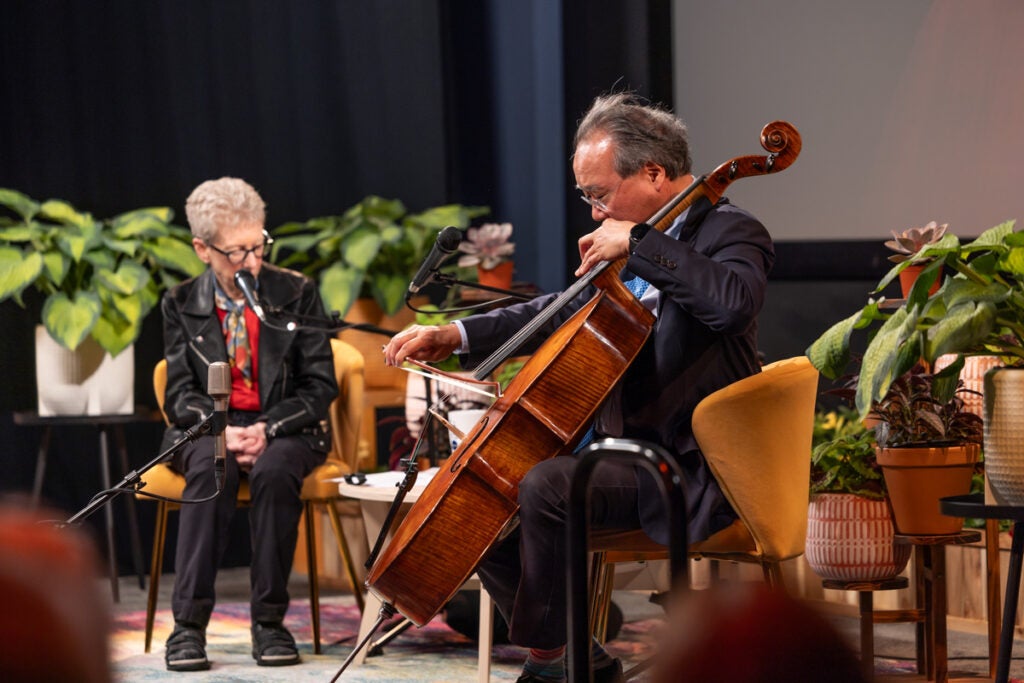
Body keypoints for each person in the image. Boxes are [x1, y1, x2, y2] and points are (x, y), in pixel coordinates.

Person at [383, 93, 774, 682]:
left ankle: (550, 664)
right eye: (586, 197)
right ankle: (578, 657)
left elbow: (732, 305)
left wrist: (640, 244)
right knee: (482, 500)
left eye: (599, 194)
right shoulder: (627, 241)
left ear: (654, 173)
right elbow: (559, 308)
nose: (594, 212)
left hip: (684, 465)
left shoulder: (731, 231)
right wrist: (455, 333)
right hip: (615, 455)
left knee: (548, 485)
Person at [159, 177, 338, 671]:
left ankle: (270, 622)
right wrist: (220, 429)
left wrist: (269, 428)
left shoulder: (296, 292)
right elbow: (178, 393)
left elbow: (320, 384)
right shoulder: (179, 303)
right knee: (212, 471)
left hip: (285, 425)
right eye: (237, 252)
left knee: (276, 472)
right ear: (202, 248)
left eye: (259, 246)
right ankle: (188, 628)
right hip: (209, 426)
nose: (253, 262)